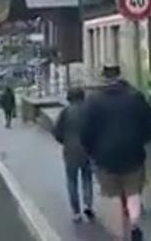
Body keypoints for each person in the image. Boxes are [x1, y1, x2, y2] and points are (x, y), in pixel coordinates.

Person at [80, 64, 151, 241]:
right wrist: (142, 141)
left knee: (111, 195)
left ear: (103, 78)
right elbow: (148, 122)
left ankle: (119, 235)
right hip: (133, 153)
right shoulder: (135, 97)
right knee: (133, 192)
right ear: (120, 76)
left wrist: (90, 150)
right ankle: (134, 224)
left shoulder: (93, 101)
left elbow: (86, 129)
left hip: (105, 155)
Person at [53, 87, 95, 224]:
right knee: (87, 178)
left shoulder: (65, 112)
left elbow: (56, 132)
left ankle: (76, 212)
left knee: (72, 181)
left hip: (70, 151)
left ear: (69, 98)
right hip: (88, 150)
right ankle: (88, 205)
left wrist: (65, 141)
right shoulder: (89, 112)